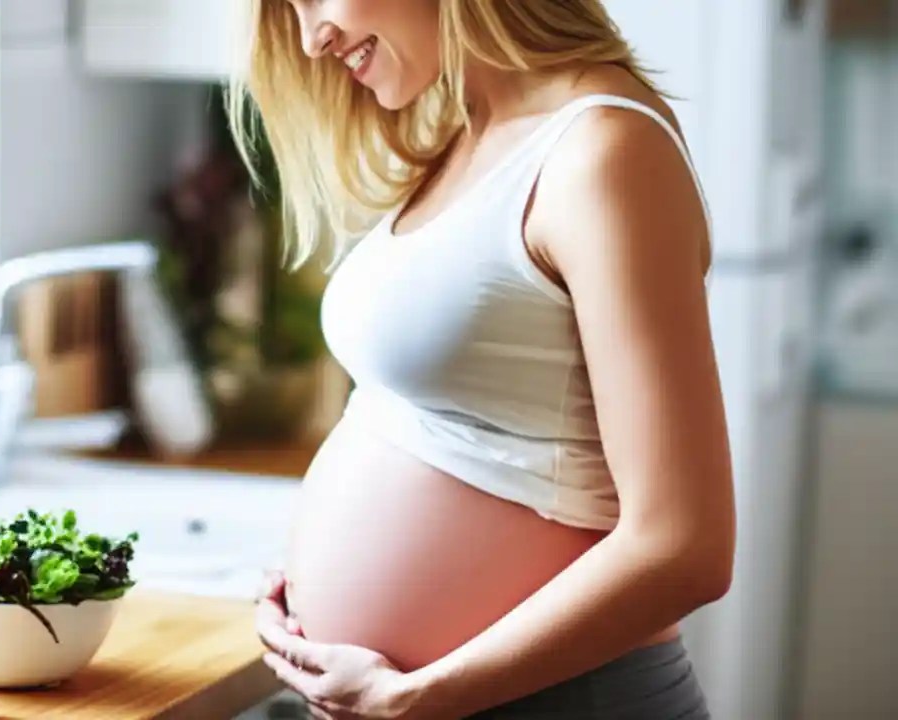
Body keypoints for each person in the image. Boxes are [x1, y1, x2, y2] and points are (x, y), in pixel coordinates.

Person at [228, 2, 736, 718]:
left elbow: (684, 548)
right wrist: (310, 585)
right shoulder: (467, 130)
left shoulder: (604, 148)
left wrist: (415, 696)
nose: (313, 39)